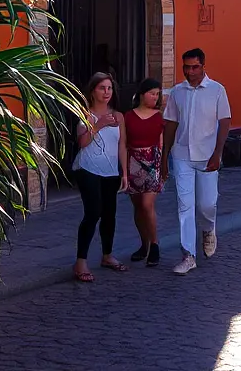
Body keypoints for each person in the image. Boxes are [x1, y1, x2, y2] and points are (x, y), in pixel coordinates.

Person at [162, 48, 231, 275]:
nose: (190, 72)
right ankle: (188, 255)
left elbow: (225, 122)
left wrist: (218, 153)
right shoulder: (177, 92)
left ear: (203, 66)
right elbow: (170, 124)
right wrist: (164, 158)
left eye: (194, 67)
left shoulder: (217, 90)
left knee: (207, 204)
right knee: (185, 206)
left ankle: (209, 229)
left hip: (208, 155)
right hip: (181, 155)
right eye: (186, 67)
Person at [71, 72, 128, 282]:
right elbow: (83, 142)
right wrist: (100, 124)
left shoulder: (119, 116)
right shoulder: (85, 114)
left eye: (109, 88)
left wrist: (124, 172)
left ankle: (107, 255)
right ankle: (81, 261)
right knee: (93, 212)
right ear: (93, 91)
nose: (106, 92)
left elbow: (122, 145)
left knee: (110, 213)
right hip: (87, 168)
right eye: (102, 88)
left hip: (110, 170)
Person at [124, 78, 166, 267]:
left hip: (152, 162)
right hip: (133, 162)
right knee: (138, 206)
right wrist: (124, 170)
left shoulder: (159, 117)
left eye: (157, 94)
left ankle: (155, 244)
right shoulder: (128, 117)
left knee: (147, 203)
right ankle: (144, 244)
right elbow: (123, 144)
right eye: (152, 93)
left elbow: (161, 143)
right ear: (142, 94)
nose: (155, 98)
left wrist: (162, 167)